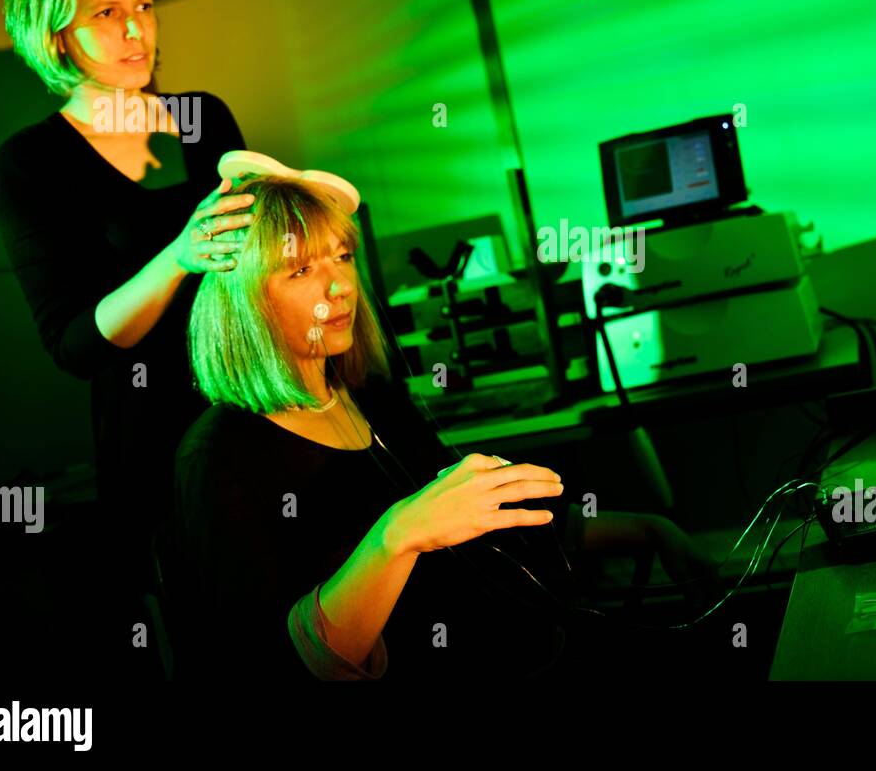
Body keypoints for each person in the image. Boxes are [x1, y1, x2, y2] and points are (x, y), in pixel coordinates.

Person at [173, 174, 721, 680]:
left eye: (342, 256)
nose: (339, 285)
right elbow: (270, 667)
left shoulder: (371, 400)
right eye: (301, 269)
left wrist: (650, 529)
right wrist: (396, 538)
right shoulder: (220, 454)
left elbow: (494, 529)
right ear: (241, 300)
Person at [0, 0, 254, 675]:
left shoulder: (205, 117)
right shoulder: (32, 164)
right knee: (227, 649)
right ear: (56, 34)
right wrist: (178, 255)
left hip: (257, 402)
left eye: (143, 6)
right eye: (106, 13)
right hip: (162, 441)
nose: (137, 29)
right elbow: (76, 342)